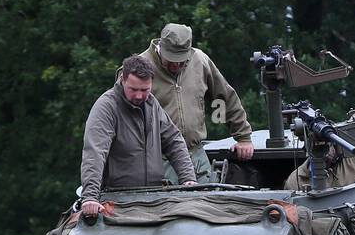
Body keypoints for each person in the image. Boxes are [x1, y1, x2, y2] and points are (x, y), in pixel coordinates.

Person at [80, 55, 197, 220]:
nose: (139, 96)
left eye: (145, 90)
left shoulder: (151, 104)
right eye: (133, 89)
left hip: (155, 199)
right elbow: (95, 152)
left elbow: (173, 140)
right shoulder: (106, 107)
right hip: (119, 200)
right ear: (123, 79)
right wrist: (90, 197)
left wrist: (188, 179)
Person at [139, 23, 255, 184]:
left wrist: (242, 136)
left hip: (196, 155)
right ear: (161, 48)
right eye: (171, 60)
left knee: (208, 205)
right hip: (158, 158)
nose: (175, 65)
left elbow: (221, 98)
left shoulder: (200, 61)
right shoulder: (140, 67)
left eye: (181, 61)